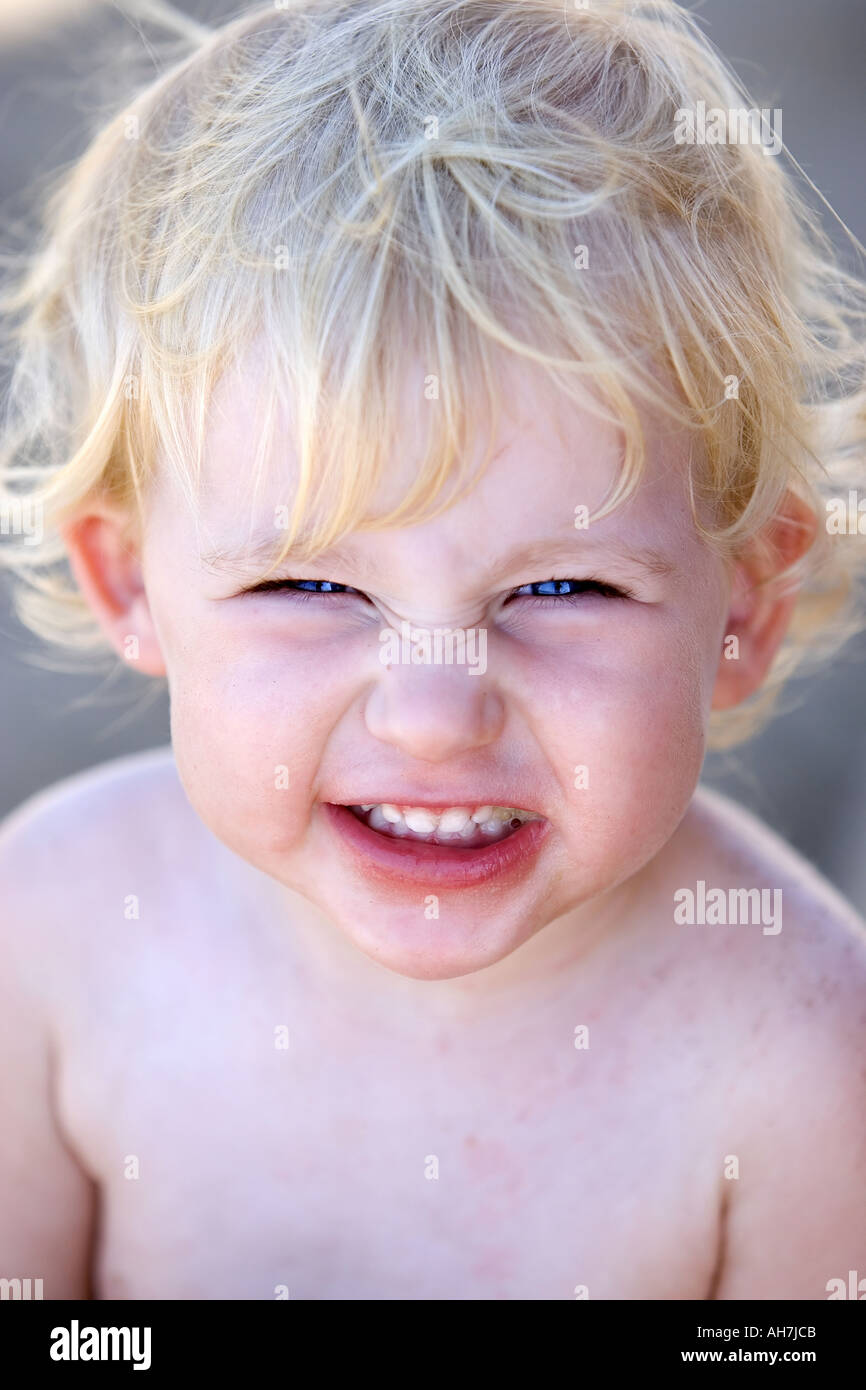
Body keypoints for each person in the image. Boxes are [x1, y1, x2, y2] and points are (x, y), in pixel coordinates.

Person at [1, 0, 865, 1299]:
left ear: (746, 605)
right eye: (311, 583)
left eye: (561, 586)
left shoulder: (801, 1058)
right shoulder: (50, 936)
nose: (434, 713)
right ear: (128, 580)